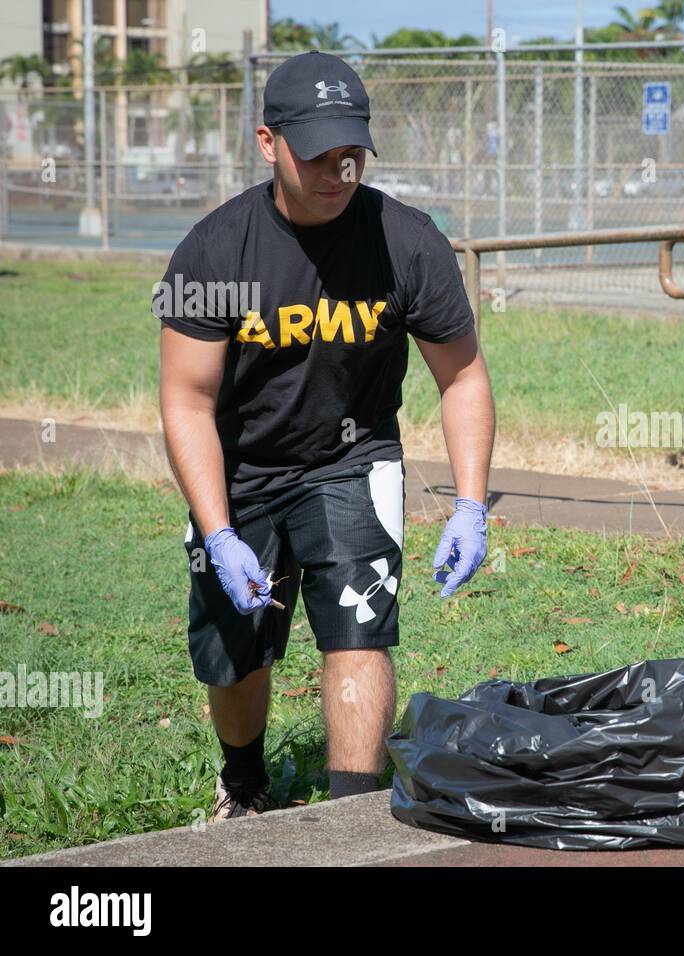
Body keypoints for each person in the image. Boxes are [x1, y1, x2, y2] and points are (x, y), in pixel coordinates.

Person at [156, 52, 495, 820]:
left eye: (352, 153)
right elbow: (186, 401)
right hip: (241, 467)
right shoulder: (212, 252)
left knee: (358, 633)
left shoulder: (407, 242)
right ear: (268, 142)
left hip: (353, 457)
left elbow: (463, 378)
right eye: (318, 154)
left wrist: (471, 504)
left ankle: (350, 820)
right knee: (236, 652)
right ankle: (242, 785)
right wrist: (217, 532)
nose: (339, 171)